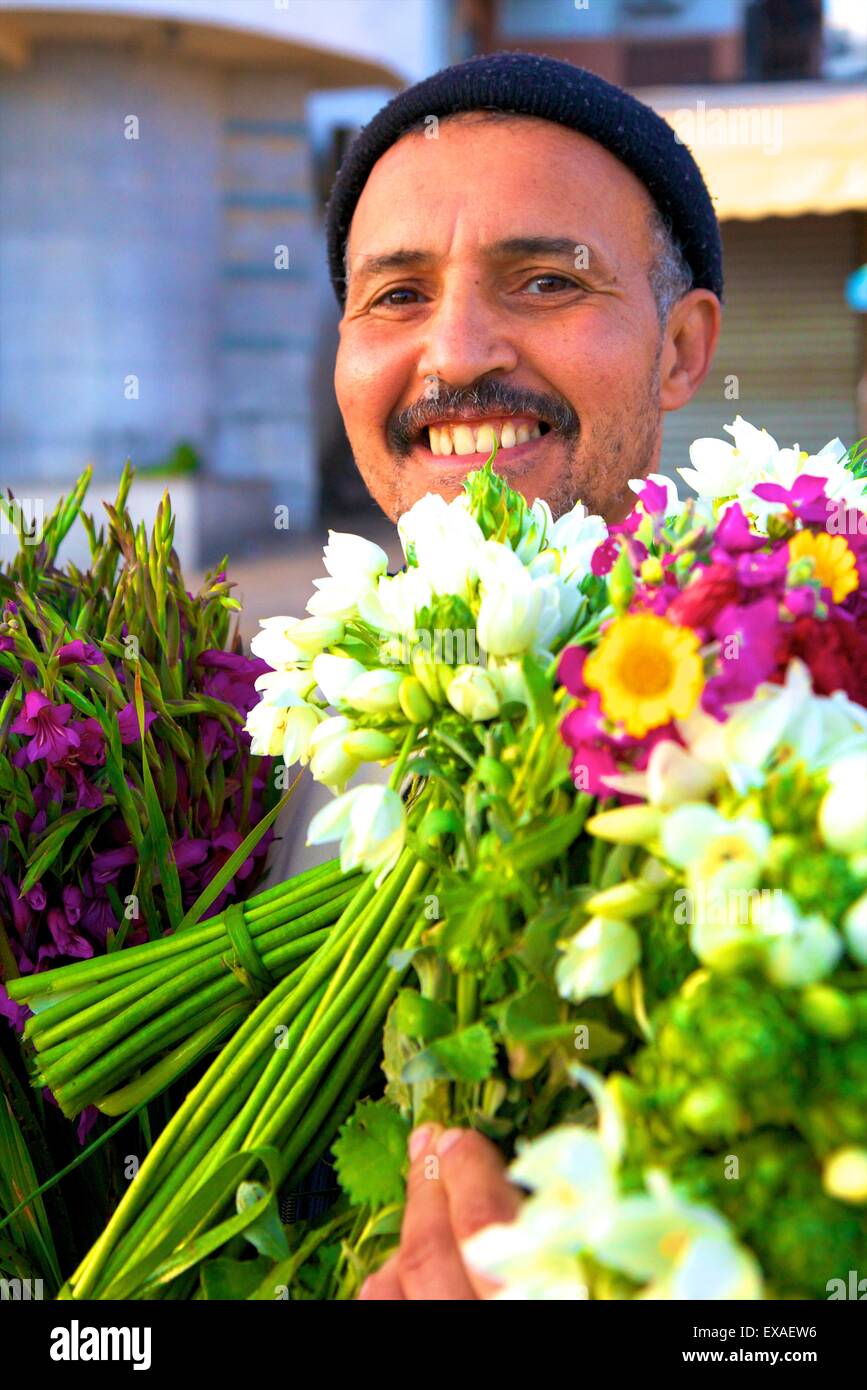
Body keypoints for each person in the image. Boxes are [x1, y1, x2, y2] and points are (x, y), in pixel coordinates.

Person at [294, 50, 724, 1298]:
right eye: (395, 297)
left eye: (546, 280)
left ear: (683, 350)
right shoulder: (231, 782)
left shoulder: (798, 738)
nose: (455, 355)